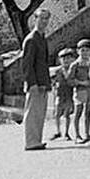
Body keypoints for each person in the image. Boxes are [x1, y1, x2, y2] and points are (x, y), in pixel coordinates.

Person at [20, 9, 52, 151]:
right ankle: (31, 141)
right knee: (33, 113)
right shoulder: (31, 39)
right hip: (35, 83)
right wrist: (32, 83)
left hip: (42, 82)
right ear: (35, 19)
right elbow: (27, 65)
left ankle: (36, 140)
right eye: (41, 18)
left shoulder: (42, 38)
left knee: (39, 113)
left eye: (46, 19)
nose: (44, 21)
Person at [70, 39, 90, 143]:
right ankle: (77, 135)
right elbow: (70, 80)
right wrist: (81, 82)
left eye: (87, 50)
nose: (85, 53)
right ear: (78, 51)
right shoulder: (75, 65)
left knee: (88, 112)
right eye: (82, 50)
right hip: (80, 90)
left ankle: (87, 133)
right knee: (78, 111)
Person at [51, 47, 75, 141]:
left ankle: (66, 132)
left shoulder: (73, 69)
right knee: (57, 113)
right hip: (59, 94)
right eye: (63, 58)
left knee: (67, 114)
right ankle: (58, 131)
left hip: (69, 95)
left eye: (68, 58)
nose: (66, 60)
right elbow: (53, 82)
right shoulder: (57, 71)